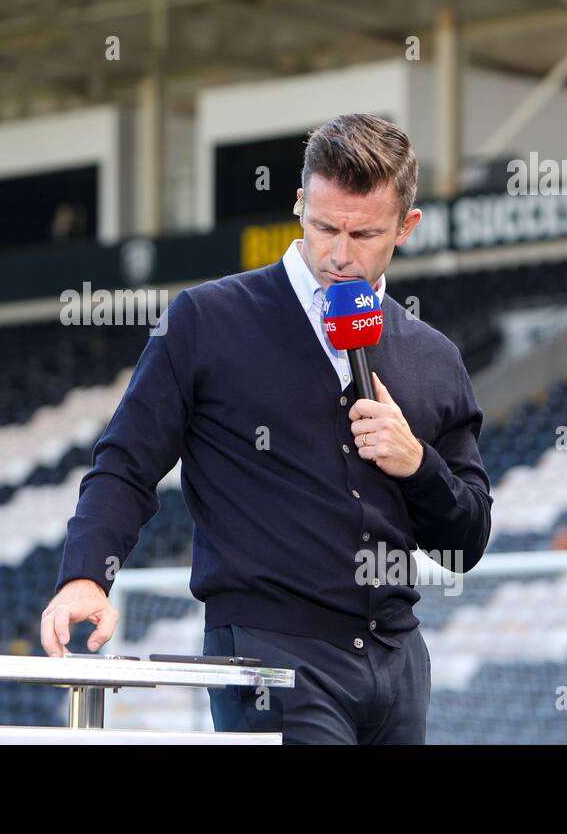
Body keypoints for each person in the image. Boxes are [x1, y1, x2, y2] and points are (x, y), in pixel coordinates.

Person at [40, 114, 493, 743]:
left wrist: (417, 463)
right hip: (267, 657)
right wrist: (86, 574)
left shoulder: (434, 357)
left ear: (406, 228)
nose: (339, 255)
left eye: (364, 234)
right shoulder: (207, 320)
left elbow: (467, 538)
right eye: (325, 226)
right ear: (300, 204)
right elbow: (126, 463)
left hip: (398, 665)